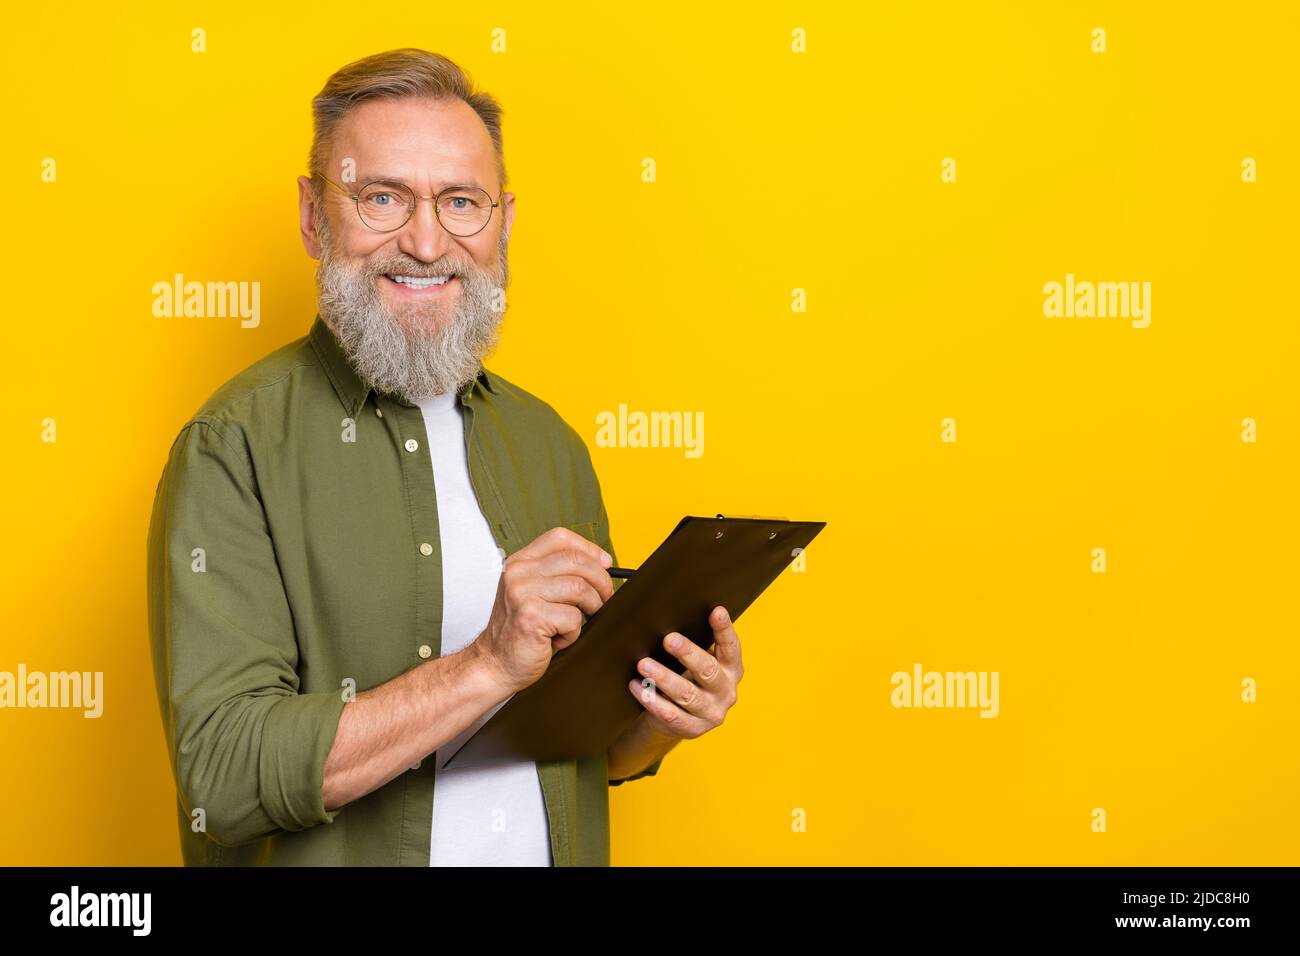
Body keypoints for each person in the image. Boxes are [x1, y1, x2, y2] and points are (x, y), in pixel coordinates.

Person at [145, 48, 743, 866]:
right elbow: (223, 781)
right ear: (314, 217)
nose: (426, 242)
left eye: (461, 201)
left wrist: (661, 717)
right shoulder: (233, 446)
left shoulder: (550, 445)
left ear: (504, 223)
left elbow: (582, 755)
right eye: (382, 197)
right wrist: (487, 662)